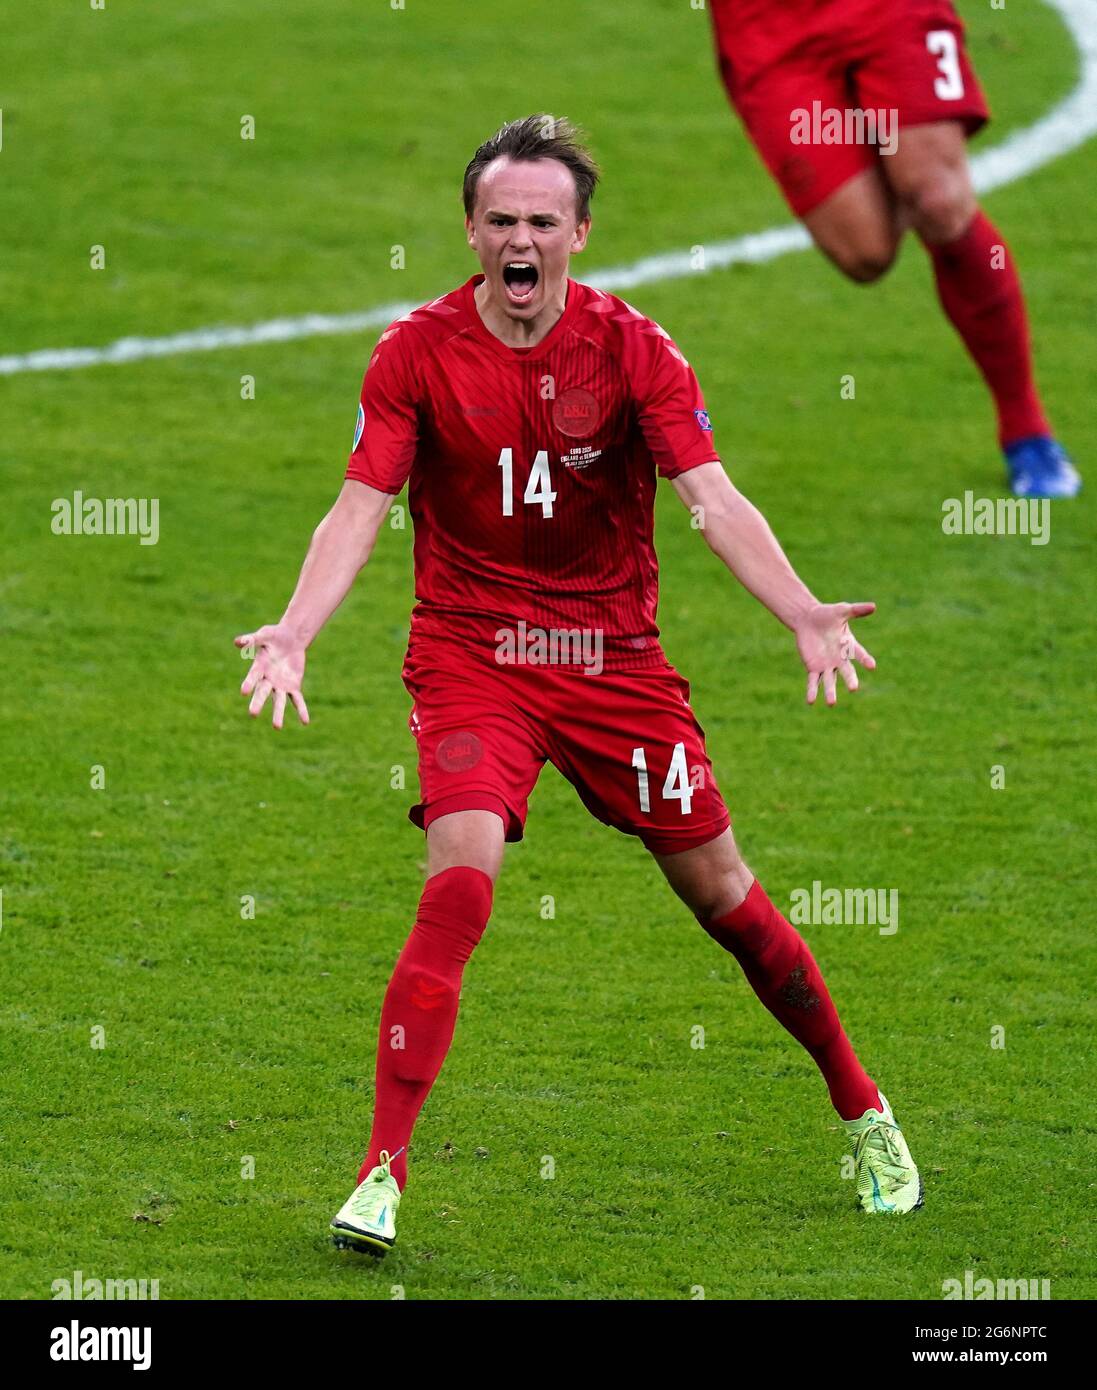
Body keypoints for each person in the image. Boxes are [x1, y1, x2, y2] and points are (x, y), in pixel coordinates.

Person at [235, 115, 922, 1257]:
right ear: (469, 229)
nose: (519, 239)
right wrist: (295, 633)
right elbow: (360, 502)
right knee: (459, 877)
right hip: (472, 655)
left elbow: (709, 495)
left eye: (540, 222)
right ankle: (378, 1174)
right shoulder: (413, 350)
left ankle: (861, 1107)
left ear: (579, 235)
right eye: (499, 219)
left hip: (612, 665)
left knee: (727, 901)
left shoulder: (635, 350)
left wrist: (798, 608)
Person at [708, 0, 1080, 498]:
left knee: (938, 200)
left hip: (888, 11)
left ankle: (1027, 432)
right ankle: (895, 149)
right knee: (864, 251)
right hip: (768, 28)